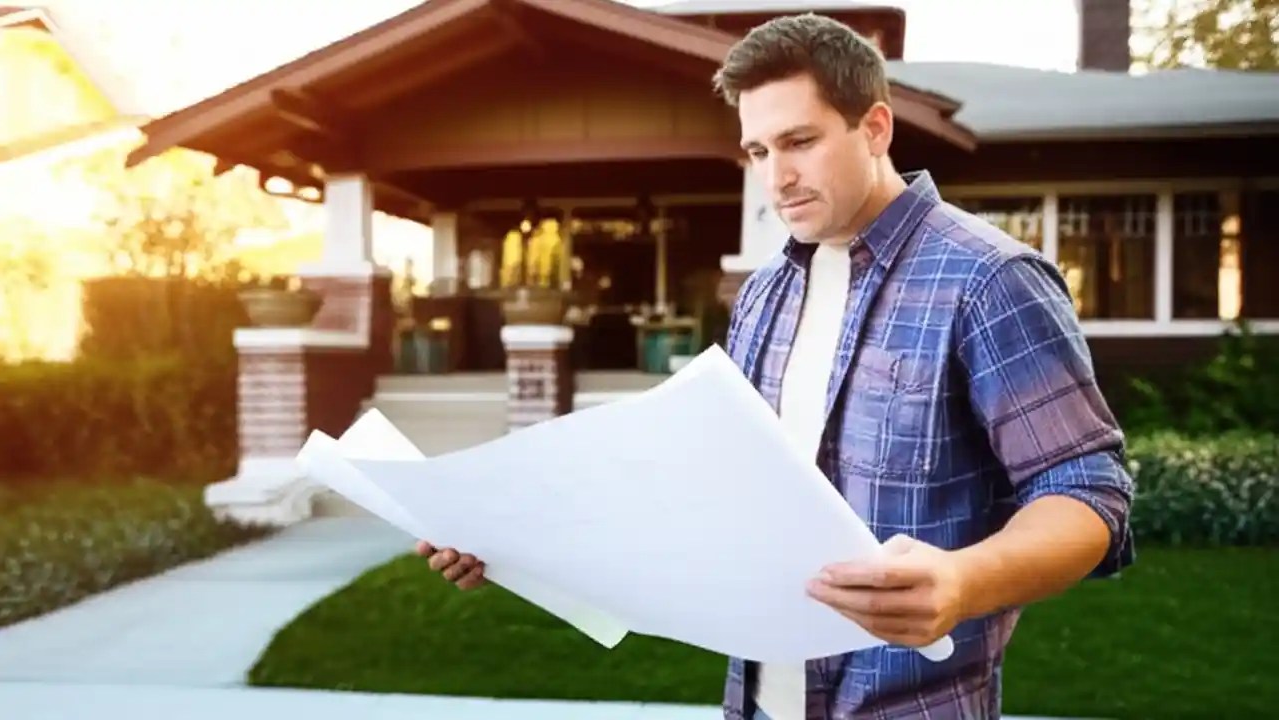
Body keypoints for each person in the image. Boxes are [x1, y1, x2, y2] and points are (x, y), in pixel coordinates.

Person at [416, 12, 1135, 720]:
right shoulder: (765, 293)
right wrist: (508, 538)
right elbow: (709, 483)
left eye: (799, 141)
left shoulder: (988, 279)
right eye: (757, 151)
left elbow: (1088, 491)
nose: (778, 177)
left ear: (875, 128)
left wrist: (965, 579)